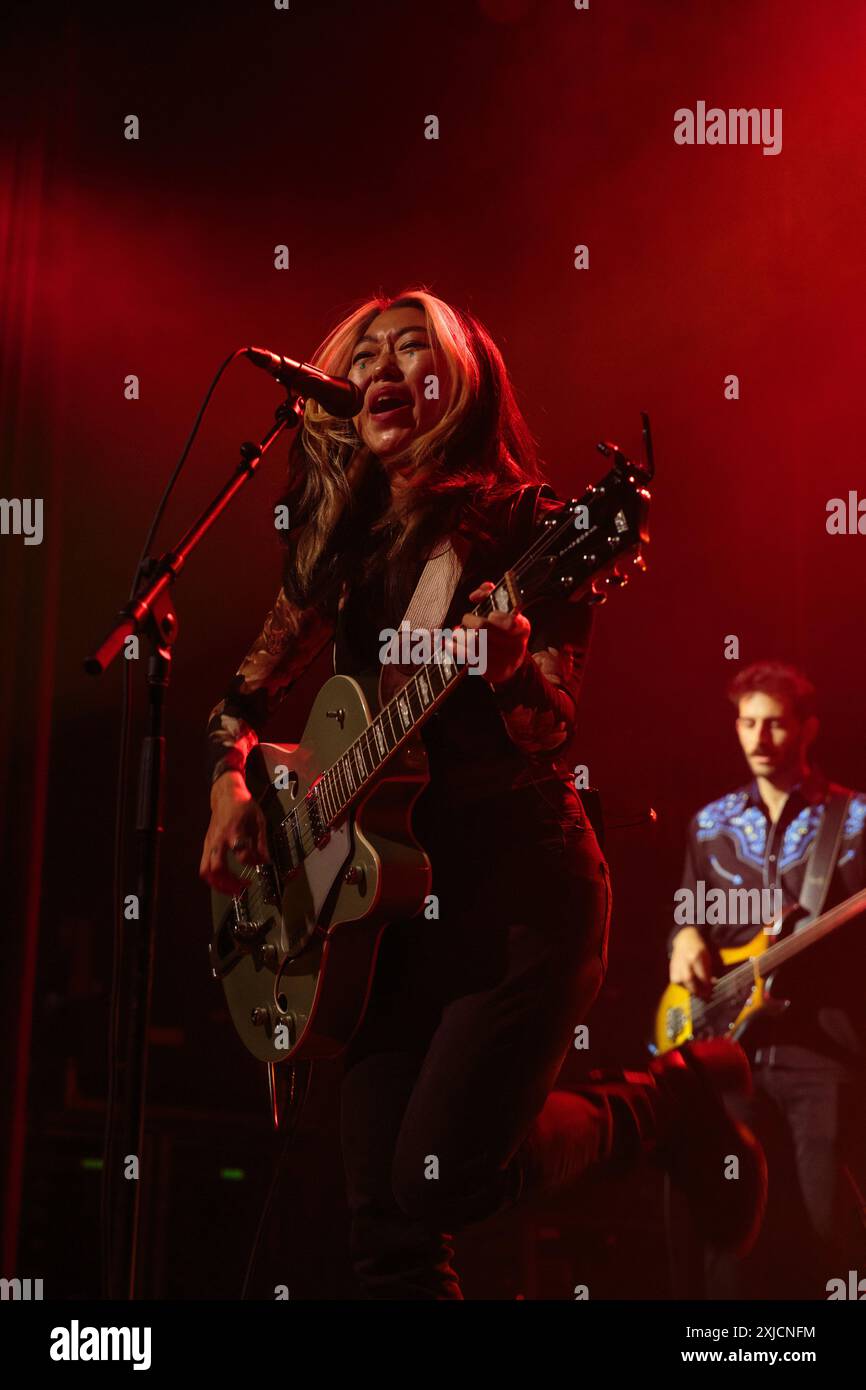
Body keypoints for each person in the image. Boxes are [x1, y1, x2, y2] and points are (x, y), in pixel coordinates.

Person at [200, 288, 765, 1299]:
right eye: (362, 350)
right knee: (384, 1232)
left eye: (410, 349)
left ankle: (667, 1106)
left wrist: (503, 664)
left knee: (441, 1180)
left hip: (519, 888)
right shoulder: (337, 550)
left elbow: (552, 720)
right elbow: (243, 694)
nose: (378, 364)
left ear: (457, 384)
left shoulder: (529, 528)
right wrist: (230, 785)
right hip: (388, 914)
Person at [669, 662, 866, 1299]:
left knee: (829, 1222)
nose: (759, 738)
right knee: (731, 1227)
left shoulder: (855, 819)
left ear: (807, 729)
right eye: (748, 723)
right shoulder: (710, 823)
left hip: (822, 1048)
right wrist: (686, 941)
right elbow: (688, 913)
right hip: (728, 1050)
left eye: (775, 724)